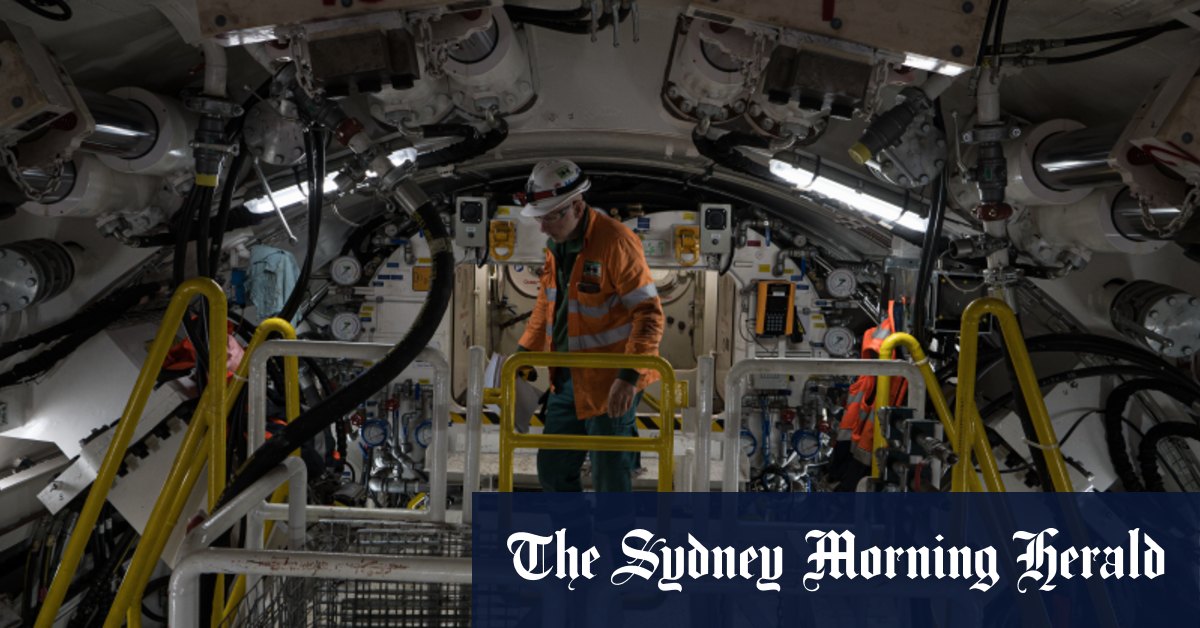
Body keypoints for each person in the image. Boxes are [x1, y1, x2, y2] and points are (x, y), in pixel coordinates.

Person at [515, 159, 665, 492]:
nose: (542, 228)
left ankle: (615, 543)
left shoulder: (616, 242)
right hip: (566, 378)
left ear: (577, 206)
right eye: (539, 218)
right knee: (553, 470)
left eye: (550, 217)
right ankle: (572, 540)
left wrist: (628, 379)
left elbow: (649, 315)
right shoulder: (557, 245)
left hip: (610, 381)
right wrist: (521, 353)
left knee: (609, 476)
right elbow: (547, 304)